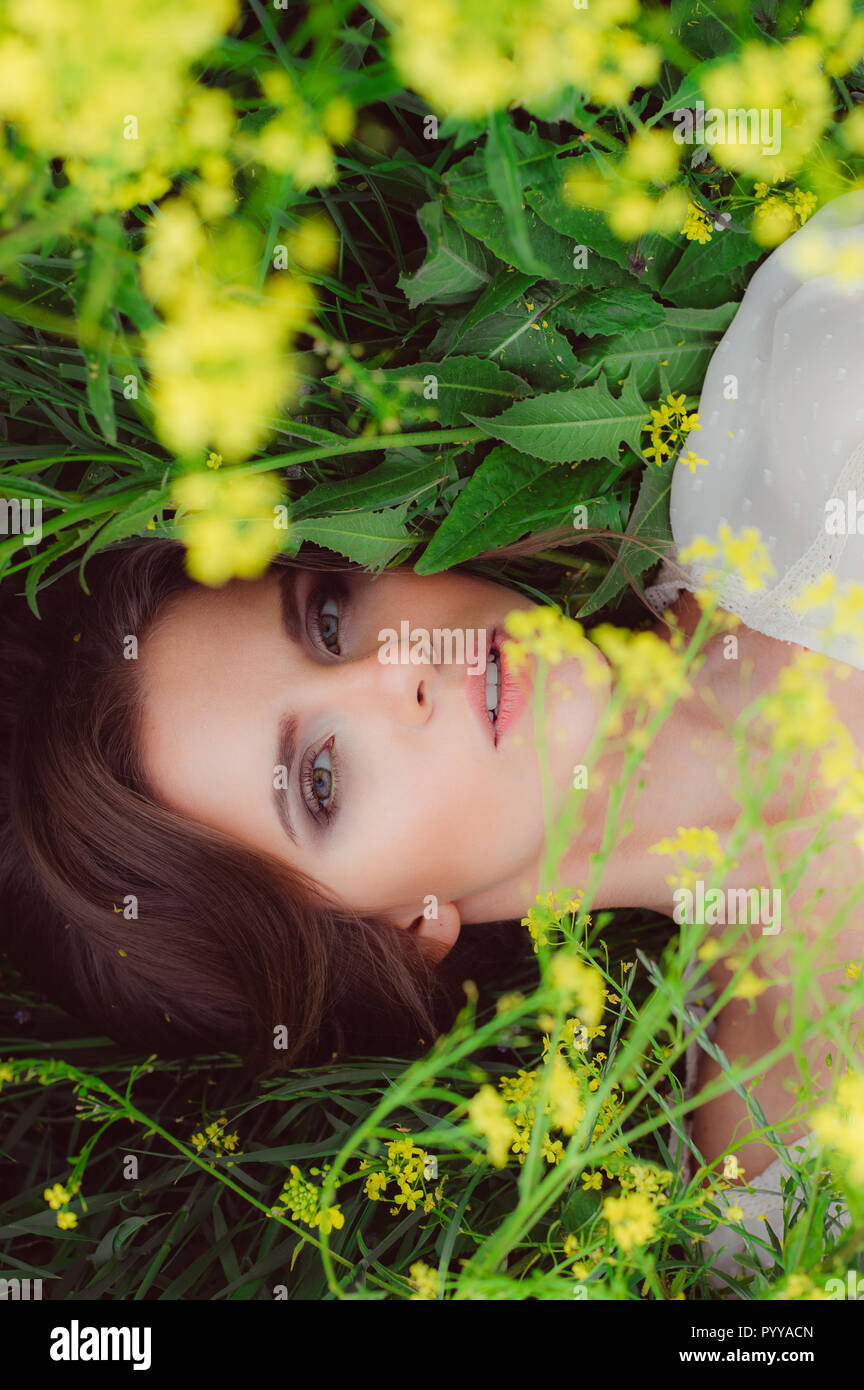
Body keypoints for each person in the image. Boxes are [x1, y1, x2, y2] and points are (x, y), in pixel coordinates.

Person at [1, 192, 862, 1292]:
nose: (393, 667)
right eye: (320, 778)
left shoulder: (812, 410)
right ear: (400, 930)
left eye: (327, 619)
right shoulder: (784, 1192)